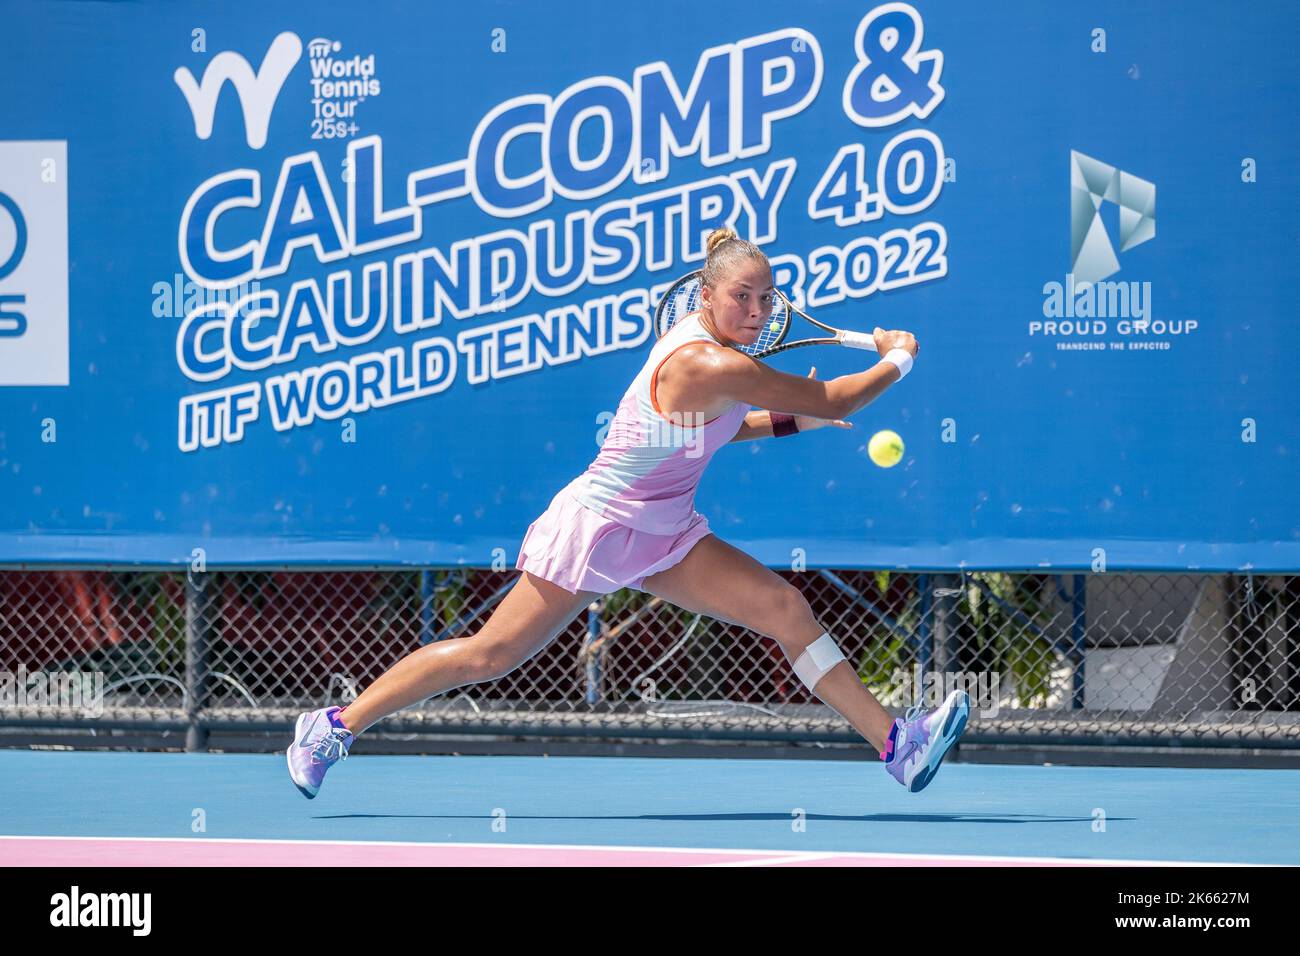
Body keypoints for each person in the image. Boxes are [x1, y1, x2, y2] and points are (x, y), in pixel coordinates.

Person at [288, 227, 969, 798]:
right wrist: (899, 358)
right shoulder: (704, 363)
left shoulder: (721, 358)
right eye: (742, 297)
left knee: (786, 610)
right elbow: (840, 398)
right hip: (599, 527)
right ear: (705, 297)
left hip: (667, 532)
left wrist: (801, 423)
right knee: (489, 655)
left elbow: (730, 428)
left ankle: (898, 747)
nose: (758, 311)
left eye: (766, 298)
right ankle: (334, 727)